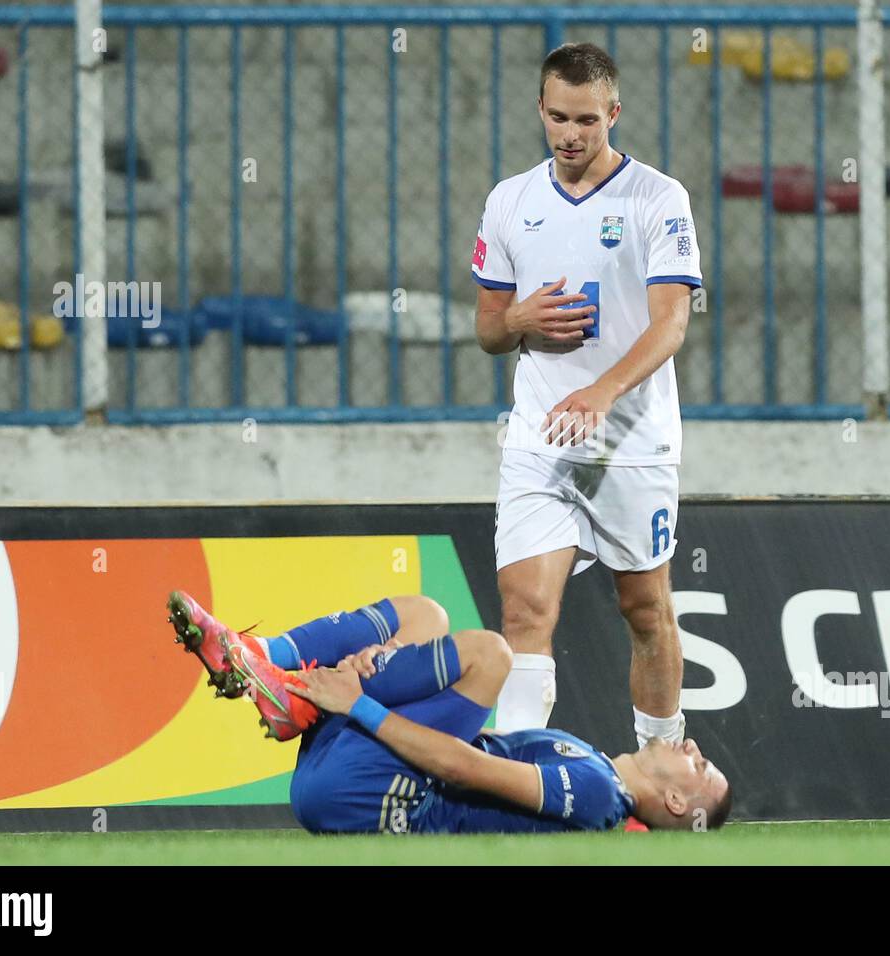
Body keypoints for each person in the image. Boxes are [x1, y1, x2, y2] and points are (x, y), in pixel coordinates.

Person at [472, 42, 702, 746]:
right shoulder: (510, 201)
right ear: (541, 110)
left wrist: (602, 392)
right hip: (541, 433)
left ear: (614, 114)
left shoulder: (657, 199)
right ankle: (516, 779)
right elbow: (487, 330)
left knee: (644, 609)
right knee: (525, 610)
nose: (571, 135)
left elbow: (672, 323)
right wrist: (516, 320)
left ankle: (662, 765)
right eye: (559, 118)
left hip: (631, 437)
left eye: (587, 121)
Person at [166, 590, 730, 833]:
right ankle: (271, 662)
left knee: (491, 654)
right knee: (424, 617)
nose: (693, 748)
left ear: (677, 801)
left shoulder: (598, 794)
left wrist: (362, 702)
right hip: (339, 783)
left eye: (701, 768)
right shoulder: (596, 769)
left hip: (369, 795)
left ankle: (288, 687)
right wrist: (381, 670)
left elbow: (465, 769)